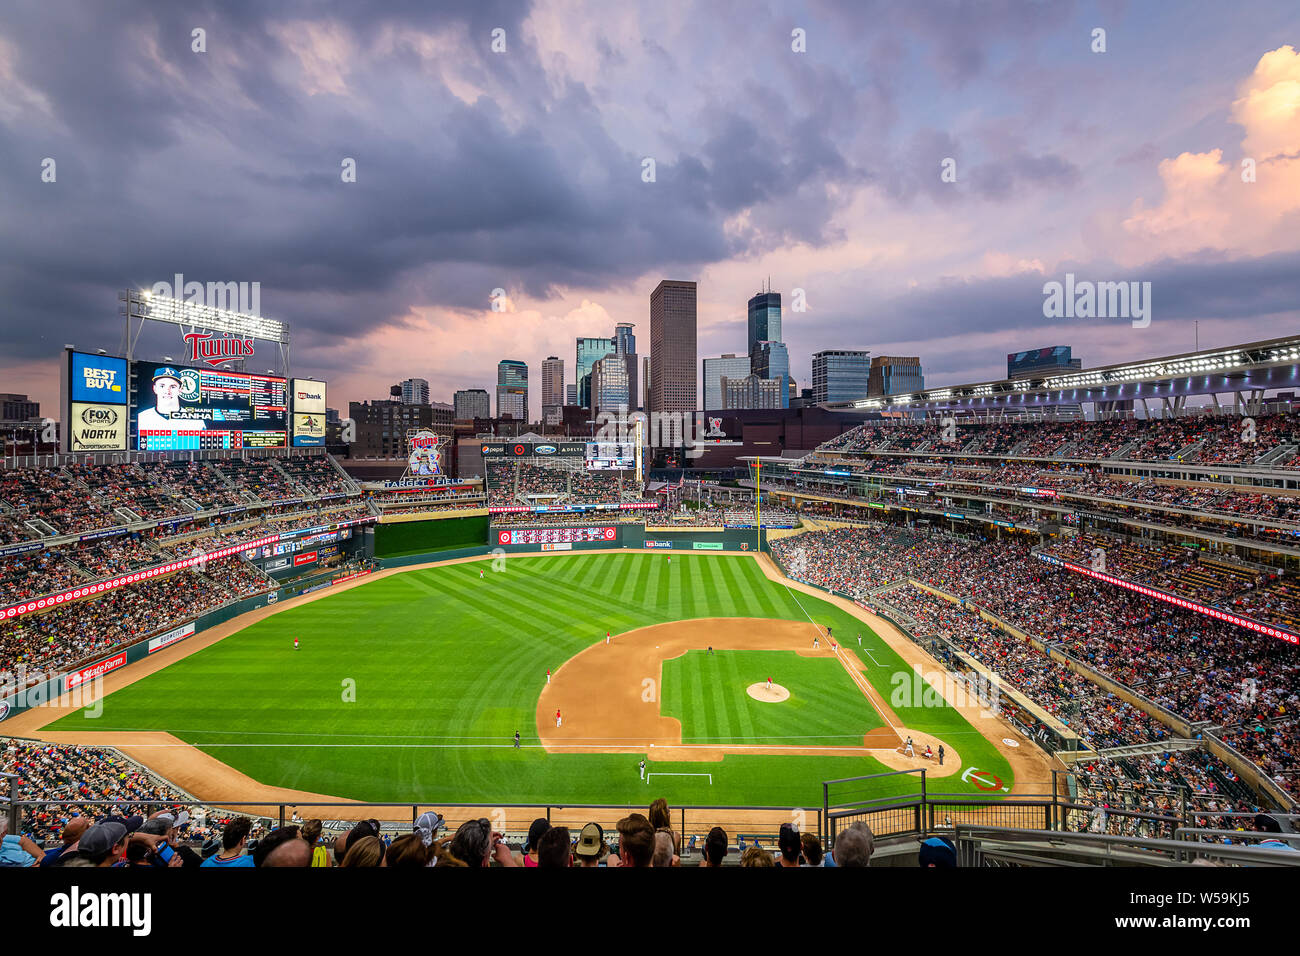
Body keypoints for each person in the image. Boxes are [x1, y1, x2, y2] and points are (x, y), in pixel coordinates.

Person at [137, 366, 206, 436]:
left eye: (173, 387)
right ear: (155, 389)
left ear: (180, 390)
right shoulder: (142, 418)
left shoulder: (196, 421)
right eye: (162, 386)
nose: (167, 391)